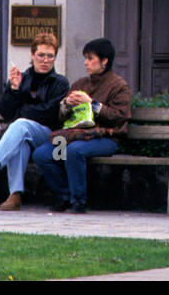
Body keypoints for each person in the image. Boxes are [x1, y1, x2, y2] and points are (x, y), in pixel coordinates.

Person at [0, 32, 69, 211]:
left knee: (21, 125)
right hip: (23, 133)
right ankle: (15, 195)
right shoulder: (22, 78)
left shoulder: (60, 83)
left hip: (50, 137)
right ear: (32, 55)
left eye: (50, 56)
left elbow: (49, 113)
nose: (45, 60)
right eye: (41, 55)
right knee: (19, 140)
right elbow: (6, 111)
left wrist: (22, 112)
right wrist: (14, 88)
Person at [32, 37, 132, 214]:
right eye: (85, 58)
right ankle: (64, 195)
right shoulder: (80, 84)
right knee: (43, 154)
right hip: (75, 137)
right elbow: (62, 119)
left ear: (104, 61)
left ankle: (78, 201)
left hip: (105, 138)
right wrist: (66, 104)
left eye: (90, 58)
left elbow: (119, 116)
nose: (86, 63)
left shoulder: (119, 86)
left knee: (74, 151)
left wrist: (92, 104)